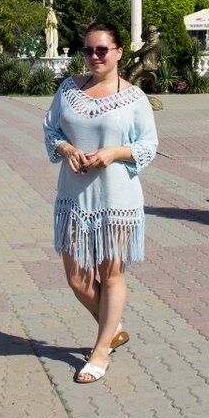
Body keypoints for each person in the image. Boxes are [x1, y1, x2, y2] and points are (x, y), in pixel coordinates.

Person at [43, 21, 158, 384]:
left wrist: (114, 153)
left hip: (117, 200)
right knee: (77, 278)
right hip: (74, 199)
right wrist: (66, 149)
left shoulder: (134, 98)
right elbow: (51, 129)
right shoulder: (68, 89)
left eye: (102, 50)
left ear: (119, 52)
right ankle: (113, 327)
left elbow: (148, 145)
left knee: (110, 275)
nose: (94, 57)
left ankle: (101, 351)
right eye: (88, 50)